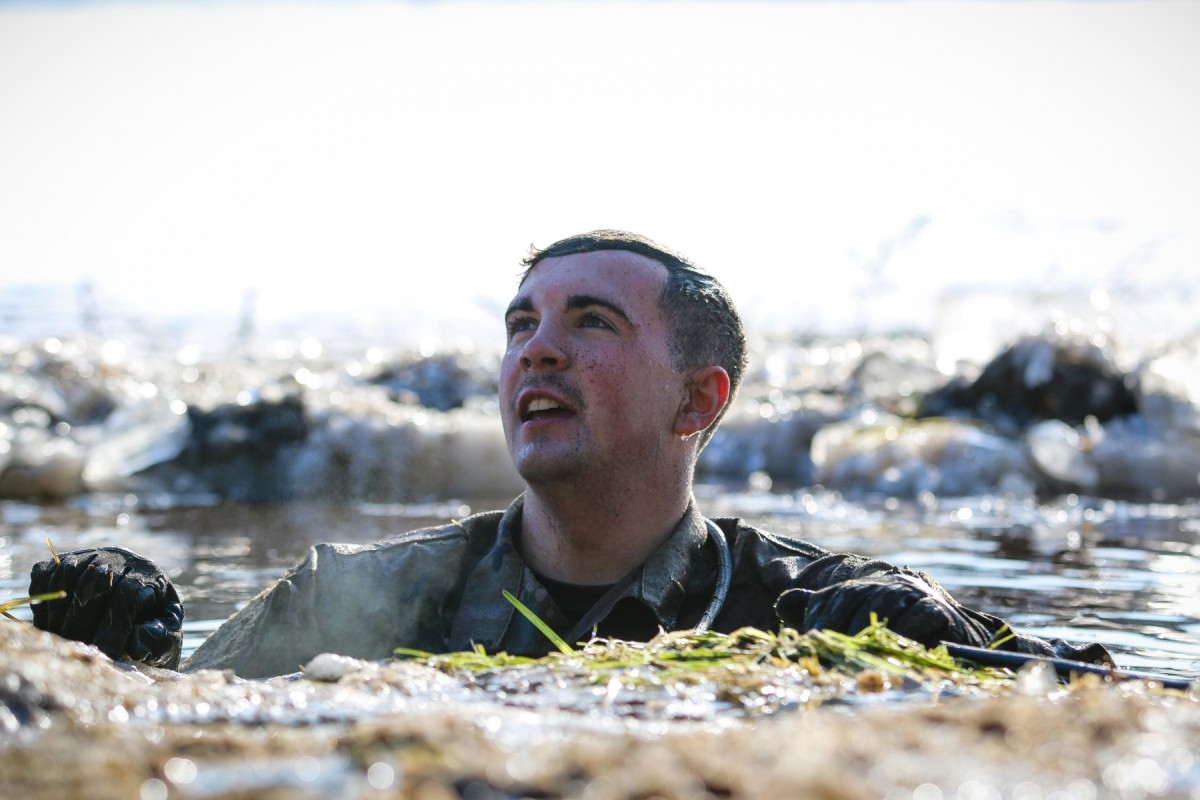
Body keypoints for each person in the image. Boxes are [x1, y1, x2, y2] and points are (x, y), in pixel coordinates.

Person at [28, 230, 1113, 678]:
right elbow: (179, 732)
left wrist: (946, 640)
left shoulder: (821, 616)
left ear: (701, 398)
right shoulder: (351, 594)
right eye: (518, 326)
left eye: (591, 322)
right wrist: (114, 649)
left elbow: (1095, 701)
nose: (535, 349)